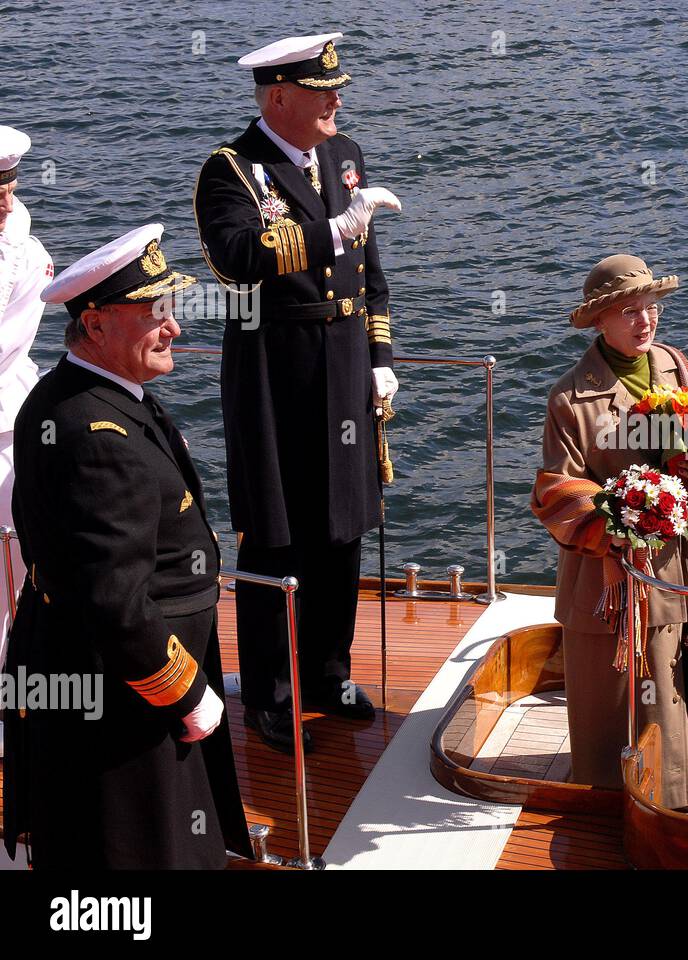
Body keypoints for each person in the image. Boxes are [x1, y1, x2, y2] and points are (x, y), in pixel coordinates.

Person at [1, 224, 251, 868]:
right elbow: (112, 599)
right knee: (132, 854)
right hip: (126, 702)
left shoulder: (94, 398)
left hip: (125, 687)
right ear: (95, 324)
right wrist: (185, 693)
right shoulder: (94, 434)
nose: (172, 328)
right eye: (154, 314)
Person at [192, 32, 403, 752]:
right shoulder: (231, 170)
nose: (338, 100)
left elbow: (372, 272)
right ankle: (271, 698)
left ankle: (327, 673)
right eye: (324, 92)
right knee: (276, 536)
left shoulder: (345, 155)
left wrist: (379, 354)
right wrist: (333, 229)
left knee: (342, 528)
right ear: (280, 96)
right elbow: (237, 259)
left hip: (344, 364)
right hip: (273, 372)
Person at [531, 254, 688, 810]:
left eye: (650, 307)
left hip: (675, 572)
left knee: (667, 703)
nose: (645, 321)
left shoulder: (678, 368)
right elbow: (555, 495)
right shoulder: (568, 397)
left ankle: (672, 816)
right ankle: (599, 819)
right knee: (604, 711)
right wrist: (625, 511)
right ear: (601, 321)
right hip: (606, 583)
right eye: (630, 311)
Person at [0, 127, 52, 760]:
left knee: (16, 569)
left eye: (9, 184)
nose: (6, 198)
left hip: (10, 423)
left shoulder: (21, 249)